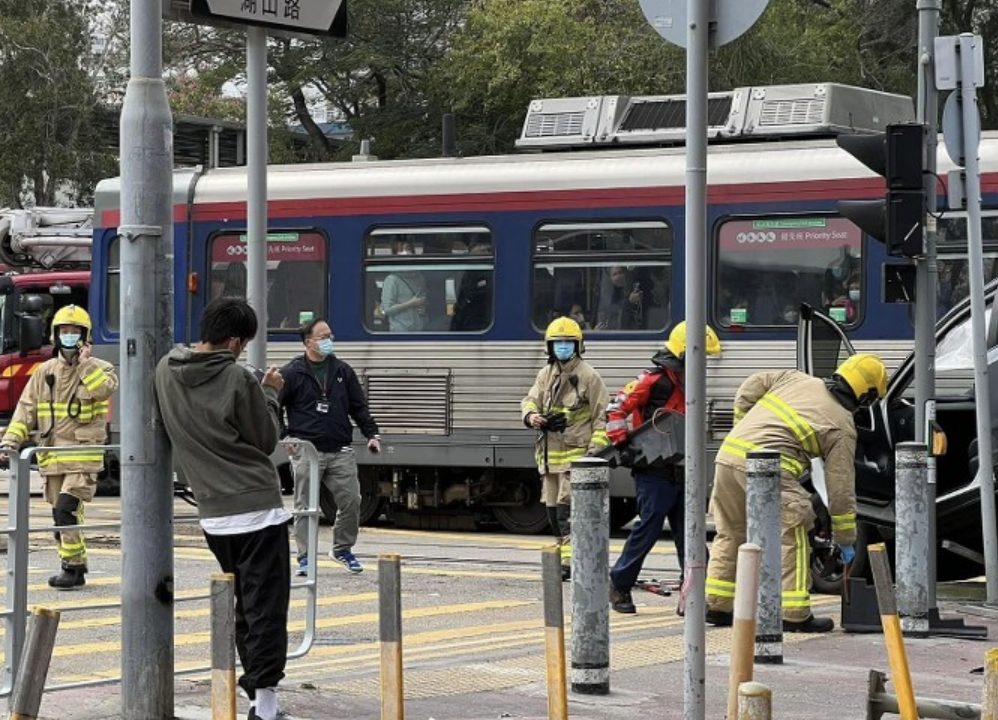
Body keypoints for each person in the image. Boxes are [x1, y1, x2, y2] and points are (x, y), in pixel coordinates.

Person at [153, 297, 290, 720]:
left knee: (244, 606)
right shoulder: (236, 379)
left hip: (213, 514)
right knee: (264, 607)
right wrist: (270, 391)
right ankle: (264, 706)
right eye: (243, 343)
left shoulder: (166, 370)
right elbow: (265, 440)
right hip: (257, 508)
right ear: (233, 341)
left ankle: (258, 700)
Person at [704, 353, 888, 633]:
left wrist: (742, 425)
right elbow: (840, 487)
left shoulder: (795, 378)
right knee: (793, 532)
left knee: (730, 532)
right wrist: (846, 537)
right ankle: (794, 613)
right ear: (867, 395)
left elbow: (749, 387)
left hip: (728, 458)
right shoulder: (842, 425)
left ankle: (718, 605)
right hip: (770, 471)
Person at [606, 322, 721, 614]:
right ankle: (619, 584)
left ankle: (694, 595)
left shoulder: (687, 381)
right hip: (655, 471)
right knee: (649, 528)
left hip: (682, 470)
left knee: (690, 532)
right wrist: (622, 443)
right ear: (684, 354)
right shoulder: (654, 381)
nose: (704, 363)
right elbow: (616, 408)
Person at [0, 305, 118, 589]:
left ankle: (72, 569)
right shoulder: (45, 371)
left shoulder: (100, 368)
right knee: (59, 514)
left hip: (82, 458)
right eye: (64, 331)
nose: (68, 336)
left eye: (74, 332)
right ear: (55, 335)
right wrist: (10, 442)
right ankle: (74, 566)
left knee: (67, 509)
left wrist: (85, 364)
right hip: (52, 456)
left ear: (85, 336)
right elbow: (26, 410)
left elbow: (105, 389)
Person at [280, 318, 381, 576]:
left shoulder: (342, 371)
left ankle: (342, 549)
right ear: (308, 342)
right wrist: (285, 437)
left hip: (339, 449)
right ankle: (304, 557)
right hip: (305, 449)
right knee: (305, 506)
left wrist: (372, 434)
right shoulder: (292, 373)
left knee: (352, 501)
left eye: (330, 336)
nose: (329, 340)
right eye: (323, 337)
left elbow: (358, 406)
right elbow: (273, 406)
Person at [521, 317, 610, 580]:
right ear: (549, 347)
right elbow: (530, 400)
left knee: (566, 511)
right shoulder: (545, 374)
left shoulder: (589, 376)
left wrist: (592, 457)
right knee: (552, 512)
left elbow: (602, 419)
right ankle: (564, 558)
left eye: (567, 343)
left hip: (576, 458)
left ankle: (571, 563)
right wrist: (532, 417)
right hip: (549, 458)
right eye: (557, 343)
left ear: (577, 346)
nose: (562, 347)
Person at [381, 241, 428, 332]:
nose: (405, 252)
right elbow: (387, 310)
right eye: (401, 250)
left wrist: (423, 307)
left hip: (420, 328)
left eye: (408, 249)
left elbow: (424, 299)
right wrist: (411, 304)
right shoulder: (392, 279)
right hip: (400, 330)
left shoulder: (420, 277)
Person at [450, 239, 492, 331]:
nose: (483, 251)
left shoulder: (489, 274)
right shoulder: (463, 272)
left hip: (479, 322)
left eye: (486, 249)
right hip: (463, 320)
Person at [596, 266, 644, 330]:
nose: (618, 276)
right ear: (611, 278)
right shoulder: (610, 297)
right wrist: (629, 302)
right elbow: (617, 315)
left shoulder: (633, 288)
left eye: (620, 273)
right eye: (615, 274)